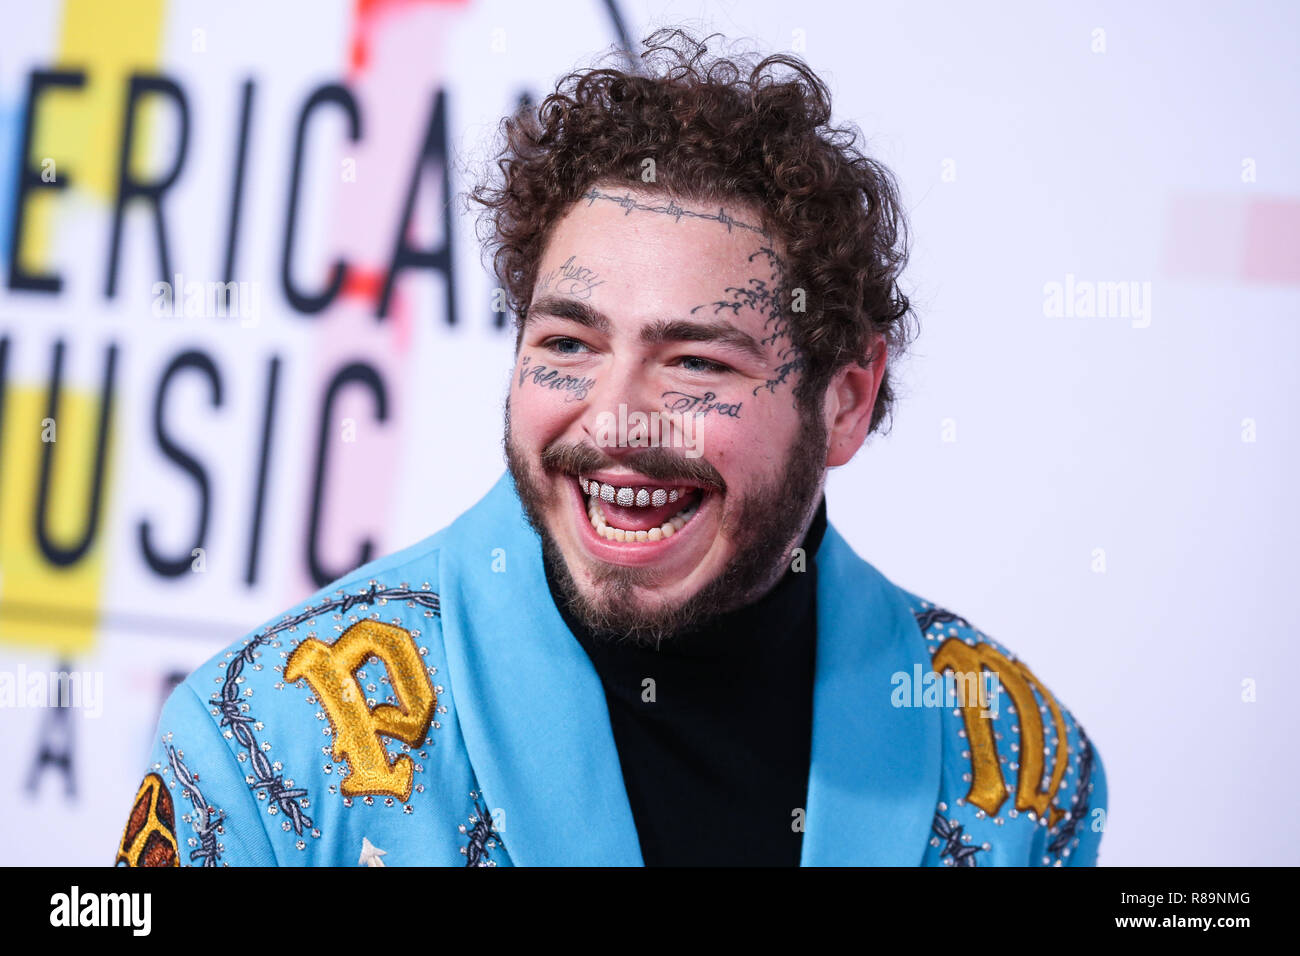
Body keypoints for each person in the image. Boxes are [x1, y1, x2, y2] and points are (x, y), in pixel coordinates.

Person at [114, 30, 1106, 868]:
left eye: (697, 362)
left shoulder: (1016, 768)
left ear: (844, 400)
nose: (614, 419)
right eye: (567, 344)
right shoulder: (263, 739)